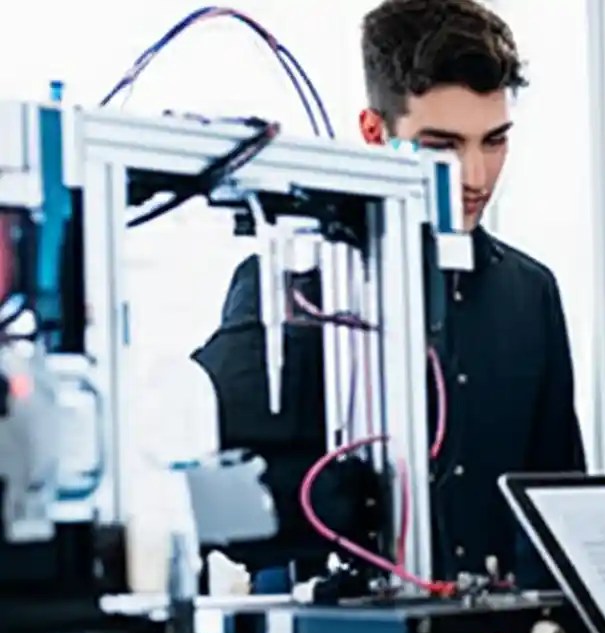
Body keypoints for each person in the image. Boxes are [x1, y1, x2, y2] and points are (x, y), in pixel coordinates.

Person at [193, 0, 584, 590]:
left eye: (494, 141)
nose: (475, 176)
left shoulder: (531, 294)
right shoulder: (292, 286)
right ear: (375, 133)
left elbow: (561, 511)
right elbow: (228, 485)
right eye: (442, 146)